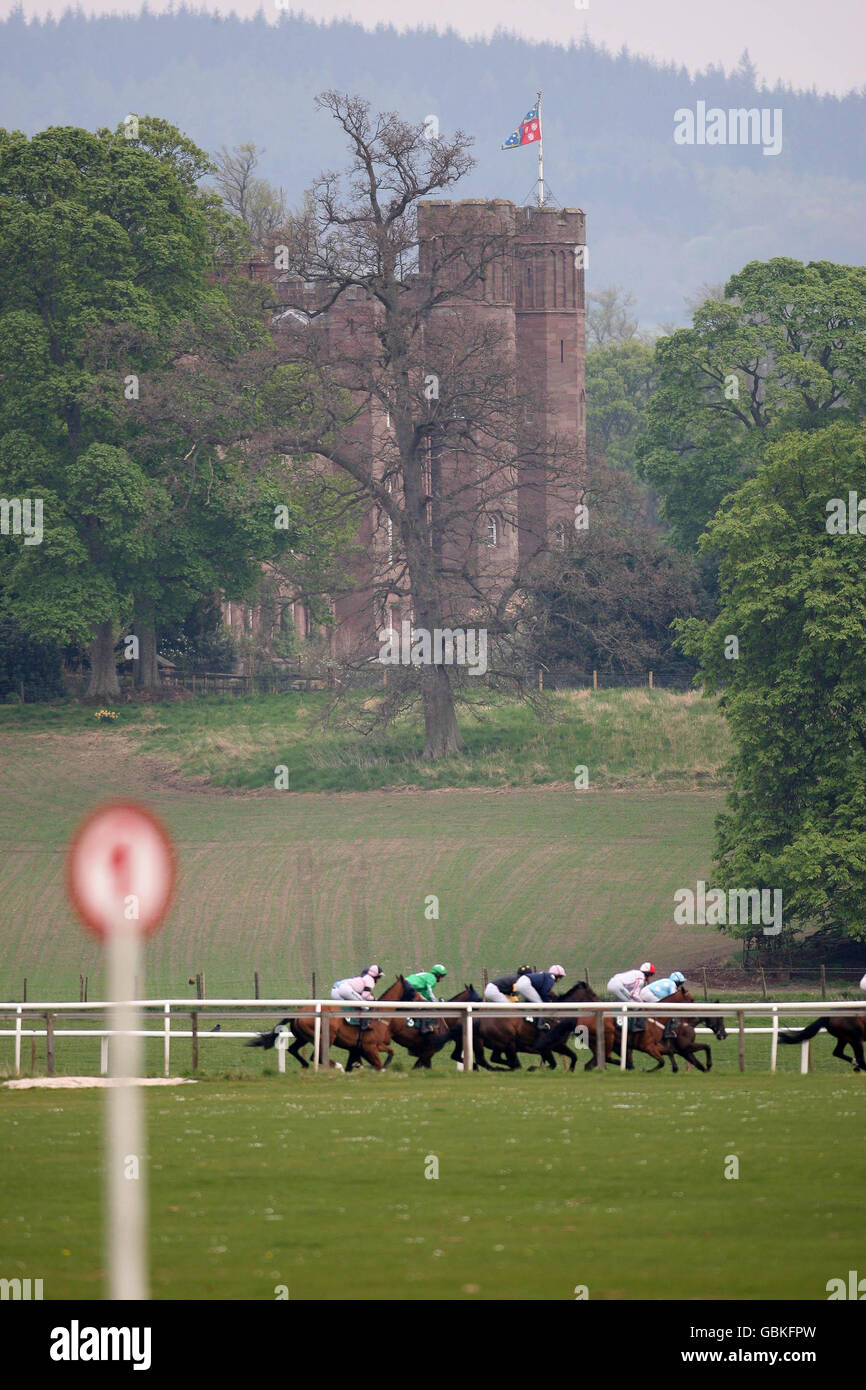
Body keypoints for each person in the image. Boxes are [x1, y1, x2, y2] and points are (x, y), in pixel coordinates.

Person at [514, 965, 566, 1044]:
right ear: (557, 975)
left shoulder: (546, 976)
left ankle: (528, 1017)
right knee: (540, 1004)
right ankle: (540, 1025)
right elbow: (544, 992)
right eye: (561, 977)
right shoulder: (551, 978)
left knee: (534, 1001)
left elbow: (541, 992)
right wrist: (549, 1003)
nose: (560, 979)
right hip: (525, 983)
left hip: (521, 983)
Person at [607, 962, 657, 1034]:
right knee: (634, 1004)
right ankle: (635, 1026)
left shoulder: (636, 973)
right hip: (617, 986)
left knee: (627, 1001)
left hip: (612, 983)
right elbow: (634, 994)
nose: (650, 977)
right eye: (651, 974)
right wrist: (642, 1002)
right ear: (648, 974)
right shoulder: (641, 978)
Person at [638, 969, 686, 1039]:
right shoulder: (672, 984)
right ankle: (666, 1031)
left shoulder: (668, 981)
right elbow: (674, 998)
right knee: (664, 1009)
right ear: (677, 982)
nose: (681, 985)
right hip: (648, 994)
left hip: (646, 992)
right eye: (680, 983)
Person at [405, 964, 448, 1033]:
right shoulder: (432, 978)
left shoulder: (427, 975)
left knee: (423, 1001)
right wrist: (436, 1003)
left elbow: (424, 993)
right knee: (426, 1005)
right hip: (409, 987)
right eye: (441, 976)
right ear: (437, 975)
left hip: (406, 984)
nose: (441, 978)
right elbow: (429, 993)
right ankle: (424, 1027)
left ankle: (418, 1023)